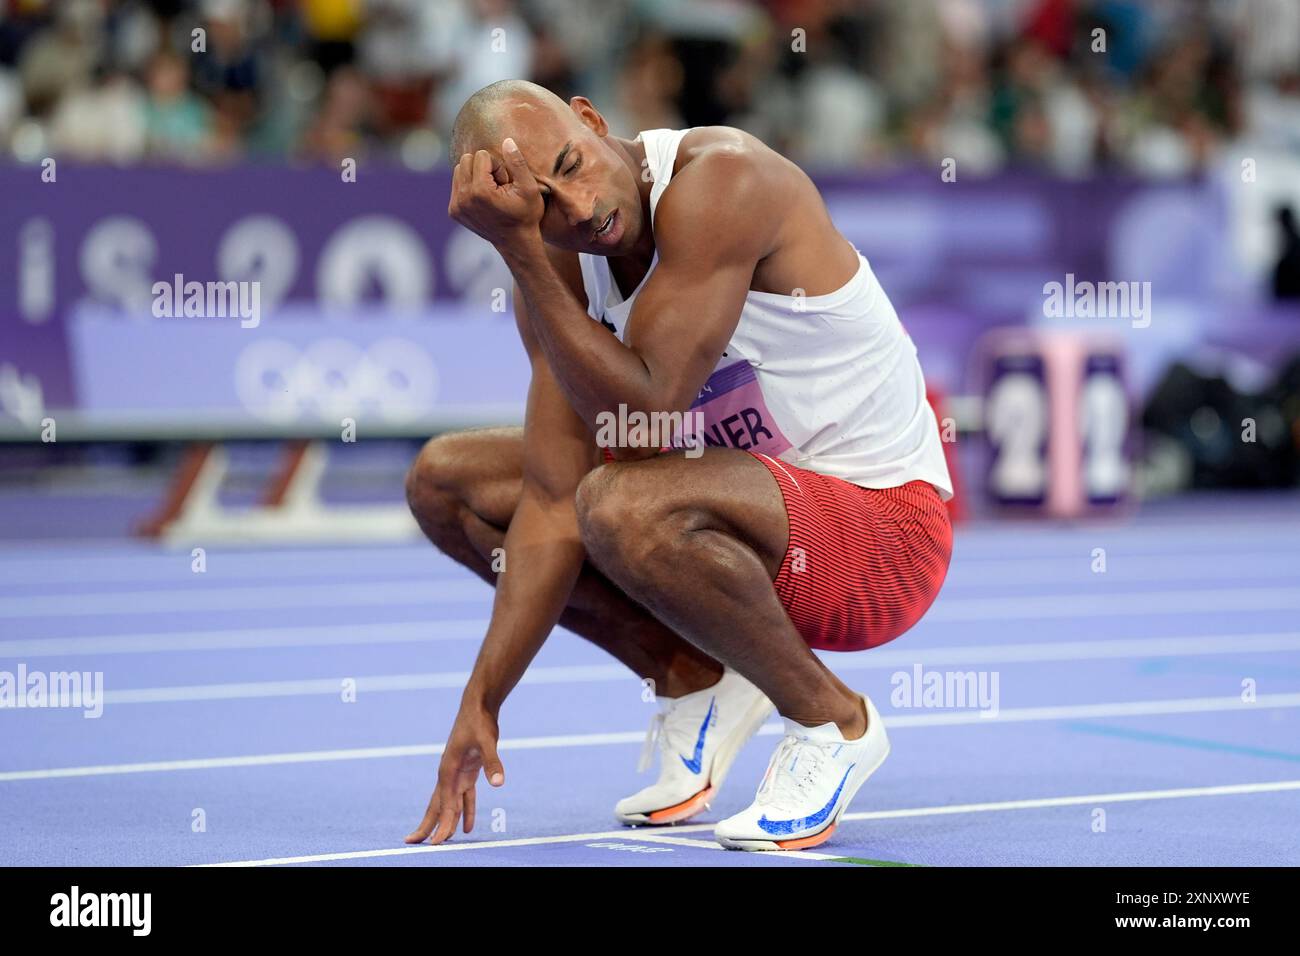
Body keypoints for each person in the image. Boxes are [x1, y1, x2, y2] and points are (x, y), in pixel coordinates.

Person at [404, 79, 953, 851]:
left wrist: (522, 250)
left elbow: (654, 400)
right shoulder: (556, 269)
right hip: (741, 513)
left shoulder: (724, 182)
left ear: (593, 119)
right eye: (543, 205)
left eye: (573, 162)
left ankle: (835, 723)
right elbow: (553, 498)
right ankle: (697, 673)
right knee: (448, 480)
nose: (581, 207)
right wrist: (484, 698)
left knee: (623, 504)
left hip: (886, 536)